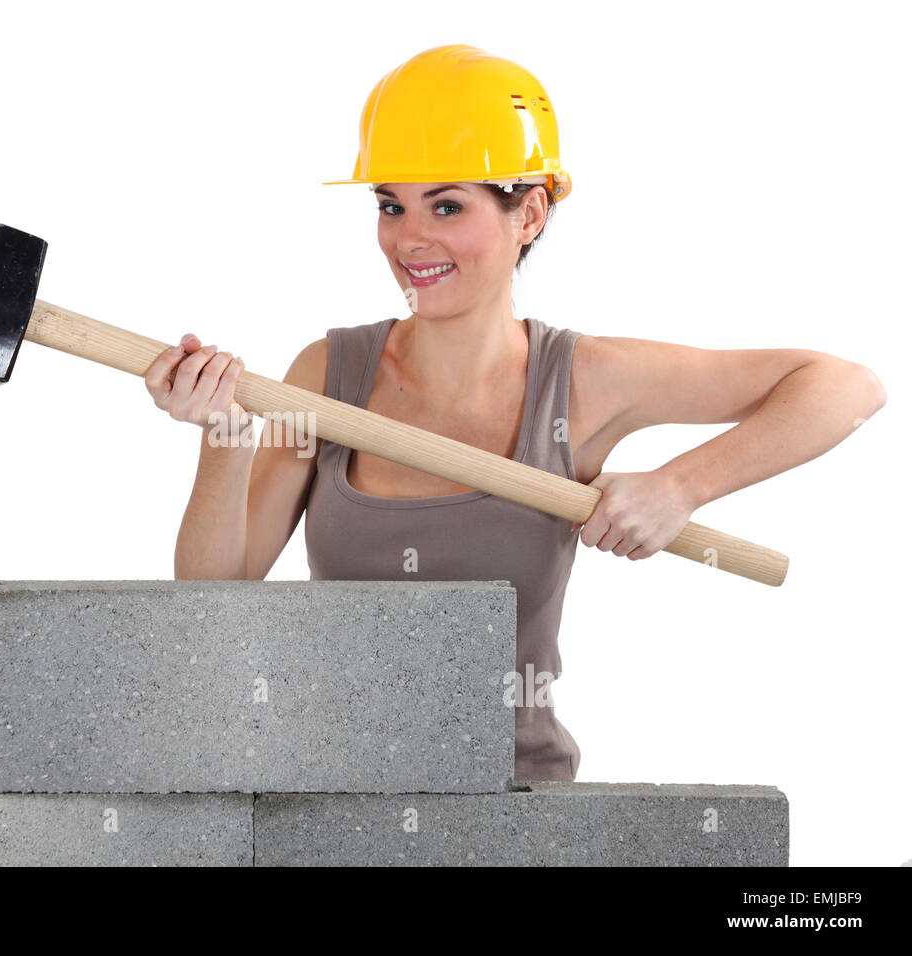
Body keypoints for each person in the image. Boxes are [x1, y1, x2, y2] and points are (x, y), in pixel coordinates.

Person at [142, 45, 886, 781]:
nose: (410, 238)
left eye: (448, 205)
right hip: (329, 794)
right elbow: (216, 606)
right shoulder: (329, 375)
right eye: (390, 204)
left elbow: (845, 387)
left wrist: (680, 486)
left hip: (515, 807)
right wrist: (223, 433)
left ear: (530, 212)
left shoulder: (583, 382)